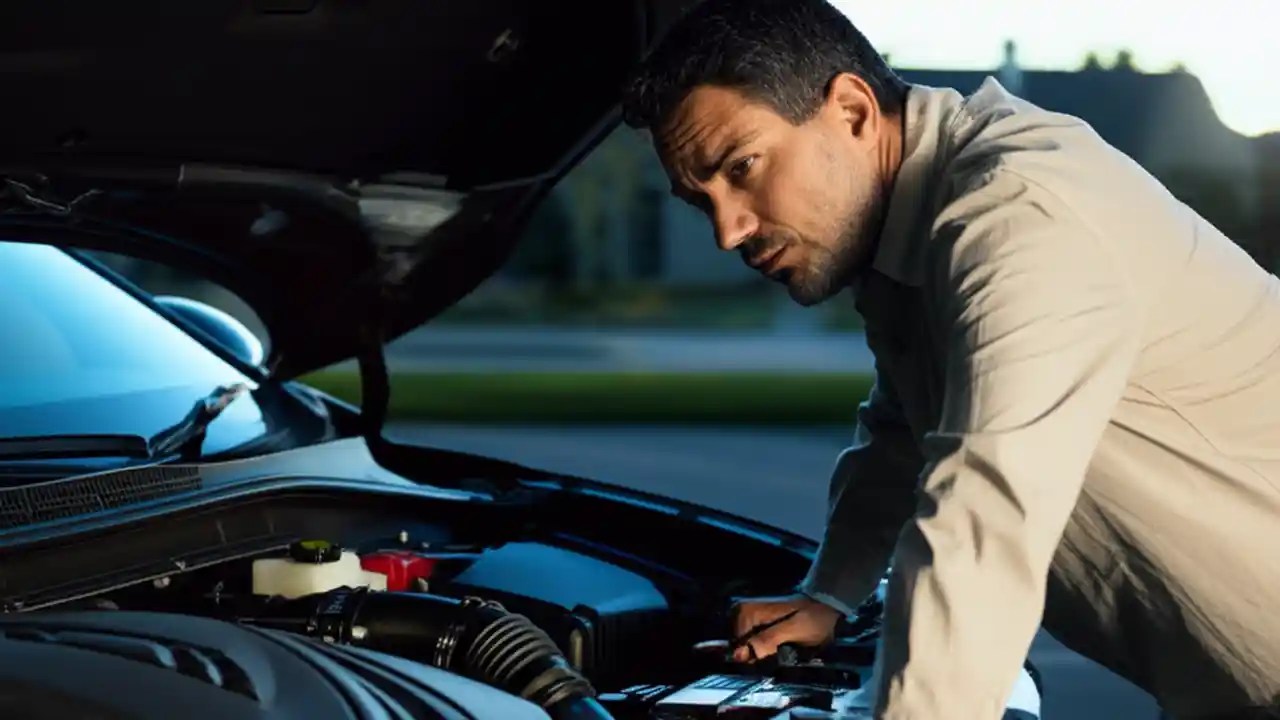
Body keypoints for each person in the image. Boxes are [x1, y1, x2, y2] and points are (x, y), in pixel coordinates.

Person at [619, 0, 1280, 718]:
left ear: (852, 111)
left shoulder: (1018, 215)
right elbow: (903, 427)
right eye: (698, 200)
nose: (727, 229)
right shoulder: (911, 230)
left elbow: (982, 516)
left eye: (741, 167)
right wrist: (829, 593)